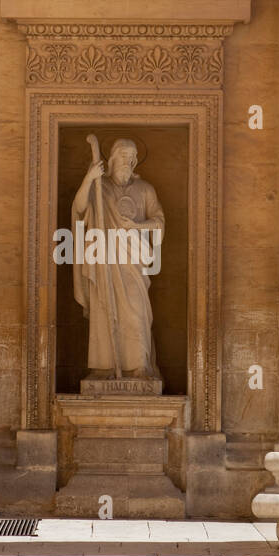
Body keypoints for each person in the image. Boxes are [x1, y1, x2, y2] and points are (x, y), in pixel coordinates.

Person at [71, 138, 164, 380]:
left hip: (133, 262)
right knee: (104, 311)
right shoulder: (99, 187)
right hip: (104, 262)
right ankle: (103, 368)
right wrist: (89, 179)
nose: (128, 160)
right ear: (111, 159)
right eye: (123, 155)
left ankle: (139, 367)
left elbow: (159, 223)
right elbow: (79, 209)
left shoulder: (145, 189)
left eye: (132, 156)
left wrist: (137, 225)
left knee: (136, 311)